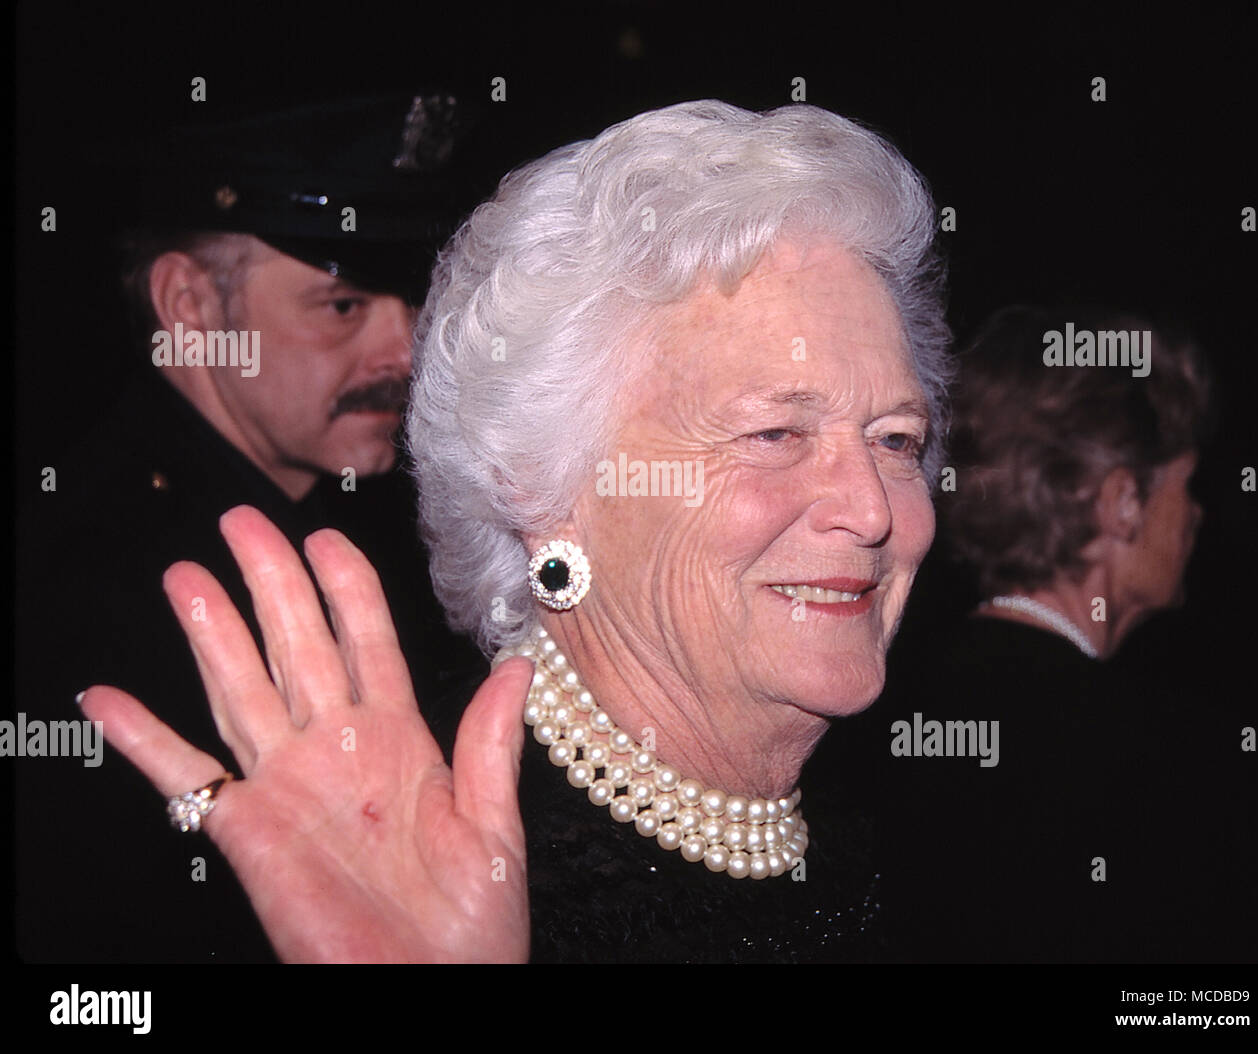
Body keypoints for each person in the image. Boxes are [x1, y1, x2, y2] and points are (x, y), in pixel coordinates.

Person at [78, 99, 955, 962]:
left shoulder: (879, 843)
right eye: (774, 434)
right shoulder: (438, 878)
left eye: (896, 440)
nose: (873, 509)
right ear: (540, 487)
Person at [15, 94, 483, 962]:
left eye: (410, 300)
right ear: (189, 308)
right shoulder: (94, 599)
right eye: (343, 305)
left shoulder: (339, 512)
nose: (407, 349)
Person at [867, 304, 1232, 960]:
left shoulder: (877, 713)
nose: (1198, 513)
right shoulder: (1160, 755)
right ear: (1122, 502)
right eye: (1186, 484)